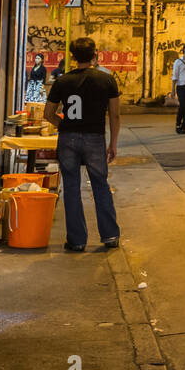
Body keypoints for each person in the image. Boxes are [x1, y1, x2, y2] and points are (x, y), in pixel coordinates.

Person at [44, 36, 121, 252]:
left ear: (72, 57)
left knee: (71, 187)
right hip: (95, 138)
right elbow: (114, 115)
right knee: (100, 185)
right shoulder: (107, 80)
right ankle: (110, 236)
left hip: (68, 139)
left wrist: (64, 125)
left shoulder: (62, 81)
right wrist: (112, 144)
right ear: (95, 54)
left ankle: (76, 241)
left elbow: (48, 114)